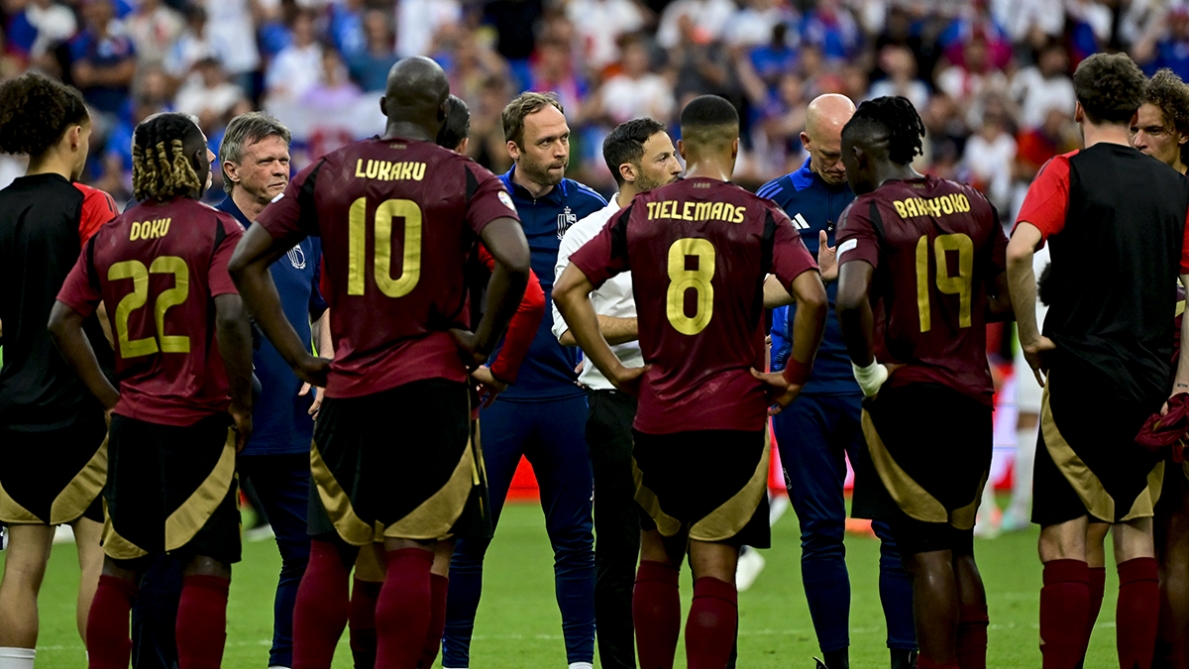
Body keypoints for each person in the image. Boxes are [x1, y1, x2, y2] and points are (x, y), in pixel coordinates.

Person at [228, 56, 531, 669]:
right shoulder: (466, 176)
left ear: (384, 109)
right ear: (444, 112)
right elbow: (516, 261)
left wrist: (298, 355)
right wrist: (479, 344)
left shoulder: (330, 170)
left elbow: (244, 261)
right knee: (412, 551)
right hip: (430, 389)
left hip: (349, 387)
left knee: (327, 553)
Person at [554, 94, 829, 669]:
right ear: (734, 147)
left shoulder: (642, 215)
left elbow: (565, 291)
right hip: (733, 417)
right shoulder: (759, 214)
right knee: (715, 568)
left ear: (683, 148)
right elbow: (810, 294)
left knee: (654, 557)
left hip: (656, 415)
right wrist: (792, 377)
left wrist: (617, 372)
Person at [344, 93, 546, 669]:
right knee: (429, 552)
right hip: (437, 390)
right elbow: (528, 294)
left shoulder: (354, 183)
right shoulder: (465, 190)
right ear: (458, 144)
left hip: (357, 388)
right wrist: (492, 363)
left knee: (363, 553)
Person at [48, 111, 254, 669]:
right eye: (204, 150)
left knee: (120, 567)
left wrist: (109, 397)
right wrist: (240, 398)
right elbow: (232, 315)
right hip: (198, 421)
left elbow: (62, 320)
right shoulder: (217, 228)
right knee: (206, 565)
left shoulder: (112, 233)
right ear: (187, 160)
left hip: (134, 421)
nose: (210, 159)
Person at [1006, 52, 1189, 669]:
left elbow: (1018, 252)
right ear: (1134, 111)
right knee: (1136, 534)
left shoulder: (1066, 172)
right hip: (1150, 382)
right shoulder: (1175, 186)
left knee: (1064, 540)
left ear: (1079, 108)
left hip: (1081, 375)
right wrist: (1180, 381)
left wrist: (1030, 336)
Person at [835, 96, 1011, 669]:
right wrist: (947, 313)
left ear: (862, 154)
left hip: (909, 396)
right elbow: (1006, 295)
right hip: (971, 395)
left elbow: (852, 295)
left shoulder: (867, 211)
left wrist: (867, 371)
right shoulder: (975, 200)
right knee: (961, 548)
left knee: (925, 554)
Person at [443, 91, 606, 669]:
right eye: (547, 141)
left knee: (574, 541)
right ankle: (454, 659)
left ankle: (580, 661)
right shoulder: (481, 203)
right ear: (513, 147)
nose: (561, 149)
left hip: (567, 394)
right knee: (469, 539)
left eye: (564, 138)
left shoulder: (591, 207)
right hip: (497, 397)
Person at [757, 93, 917, 669]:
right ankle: (836, 660)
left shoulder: (882, 193)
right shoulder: (774, 203)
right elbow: (745, 293)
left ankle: (904, 658)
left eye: (849, 151)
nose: (840, 162)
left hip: (872, 383)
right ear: (805, 144)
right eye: (829, 152)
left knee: (896, 527)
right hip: (803, 388)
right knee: (820, 530)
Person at [551, 117, 683, 669]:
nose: (677, 166)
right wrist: (654, 323)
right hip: (615, 402)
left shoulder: (693, 229)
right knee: (619, 552)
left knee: (696, 552)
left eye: (676, 154)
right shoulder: (586, 235)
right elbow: (566, 327)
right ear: (629, 171)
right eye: (663, 158)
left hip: (684, 403)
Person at [0, 72, 117, 669]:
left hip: (14, 407)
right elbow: (109, 307)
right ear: (74, 136)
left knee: (21, 563)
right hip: (84, 404)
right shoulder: (91, 205)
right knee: (98, 556)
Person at [1131, 67, 1189, 669]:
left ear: (1182, 135)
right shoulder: (1142, 198)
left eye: (1154, 130)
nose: (1142, 141)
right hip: (1150, 379)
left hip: (1175, 387)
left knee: (1171, 540)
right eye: (1135, 130)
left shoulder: (1173, 201)